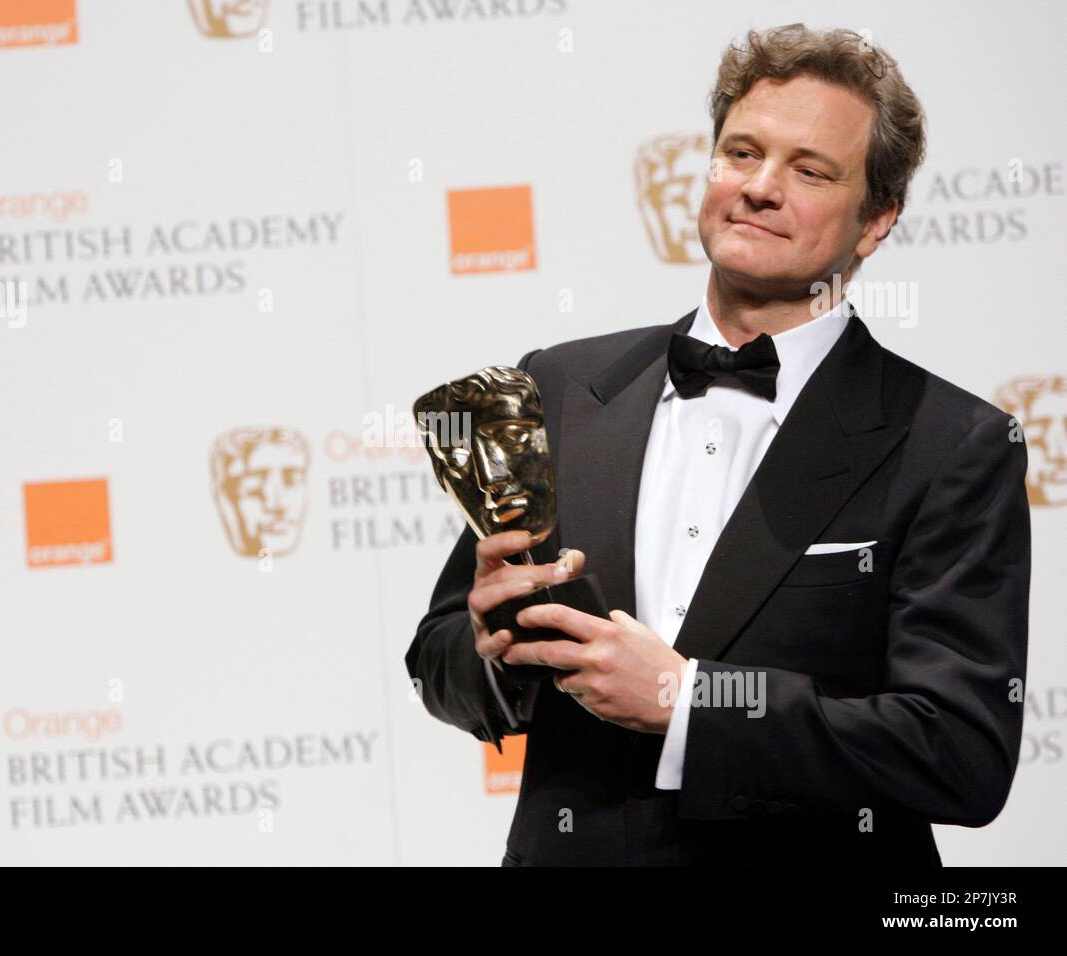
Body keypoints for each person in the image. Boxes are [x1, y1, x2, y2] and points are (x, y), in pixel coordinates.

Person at [406, 23, 1031, 866]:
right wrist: (495, 652)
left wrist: (692, 700)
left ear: (877, 218)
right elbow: (440, 659)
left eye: (809, 171)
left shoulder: (949, 444)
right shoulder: (560, 388)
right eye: (741, 153)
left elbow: (958, 751)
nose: (760, 188)